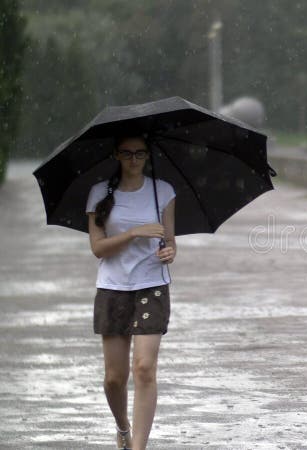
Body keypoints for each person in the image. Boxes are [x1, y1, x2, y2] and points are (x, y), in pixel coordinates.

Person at [85, 135, 177, 450]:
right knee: (114, 377)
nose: (134, 159)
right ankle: (123, 427)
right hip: (112, 288)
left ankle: (138, 446)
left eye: (139, 153)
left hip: (152, 285)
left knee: (144, 367)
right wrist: (133, 233)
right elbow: (98, 248)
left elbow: (171, 242)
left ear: (148, 155)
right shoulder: (99, 193)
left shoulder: (162, 191)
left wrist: (170, 252)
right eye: (126, 153)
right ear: (116, 155)